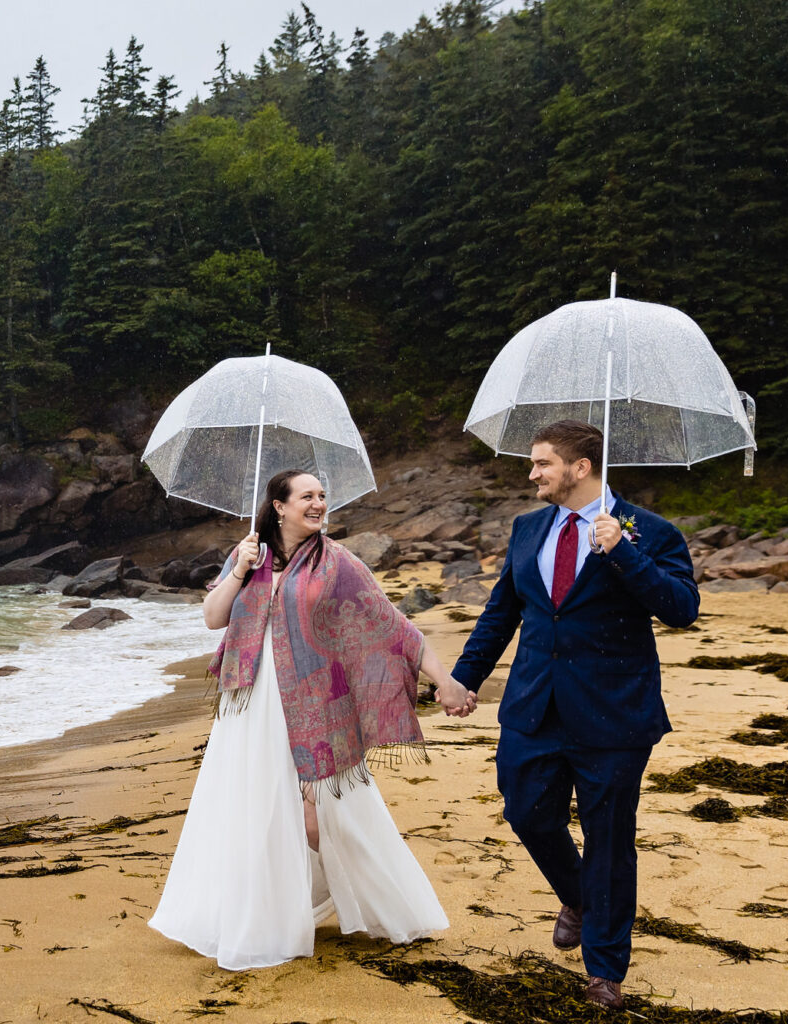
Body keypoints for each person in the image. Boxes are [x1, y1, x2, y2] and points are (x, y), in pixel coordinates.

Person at [148, 469, 474, 970]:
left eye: (323, 495)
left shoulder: (338, 563)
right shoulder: (248, 556)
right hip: (251, 702)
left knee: (328, 816)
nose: (319, 503)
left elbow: (392, 627)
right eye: (308, 496)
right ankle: (262, 920)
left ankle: (374, 904)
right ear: (279, 505)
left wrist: (444, 681)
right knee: (256, 809)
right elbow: (214, 618)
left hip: (316, 704)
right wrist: (239, 569)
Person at [450, 419, 698, 1010]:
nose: (532, 473)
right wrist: (465, 677)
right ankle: (581, 897)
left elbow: (682, 609)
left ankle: (604, 971)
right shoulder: (528, 527)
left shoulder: (648, 532)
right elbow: (501, 611)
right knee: (527, 812)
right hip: (533, 705)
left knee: (610, 841)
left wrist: (623, 554)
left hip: (614, 715)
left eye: (542, 463)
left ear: (579, 467)